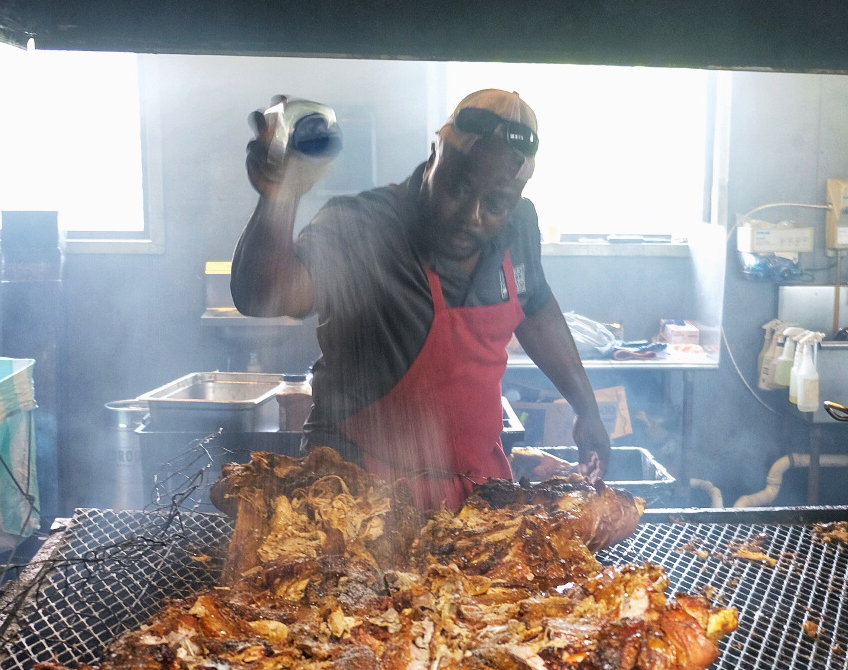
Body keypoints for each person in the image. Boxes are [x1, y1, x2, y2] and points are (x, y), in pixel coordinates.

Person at [231, 89, 611, 510]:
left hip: (475, 494)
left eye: (497, 203)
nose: (473, 214)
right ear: (435, 156)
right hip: (356, 492)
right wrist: (278, 196)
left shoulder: (520, 227)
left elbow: (536, 309)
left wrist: (586, 409)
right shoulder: (367, 225)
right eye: (459, 188)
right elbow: (266, 294)